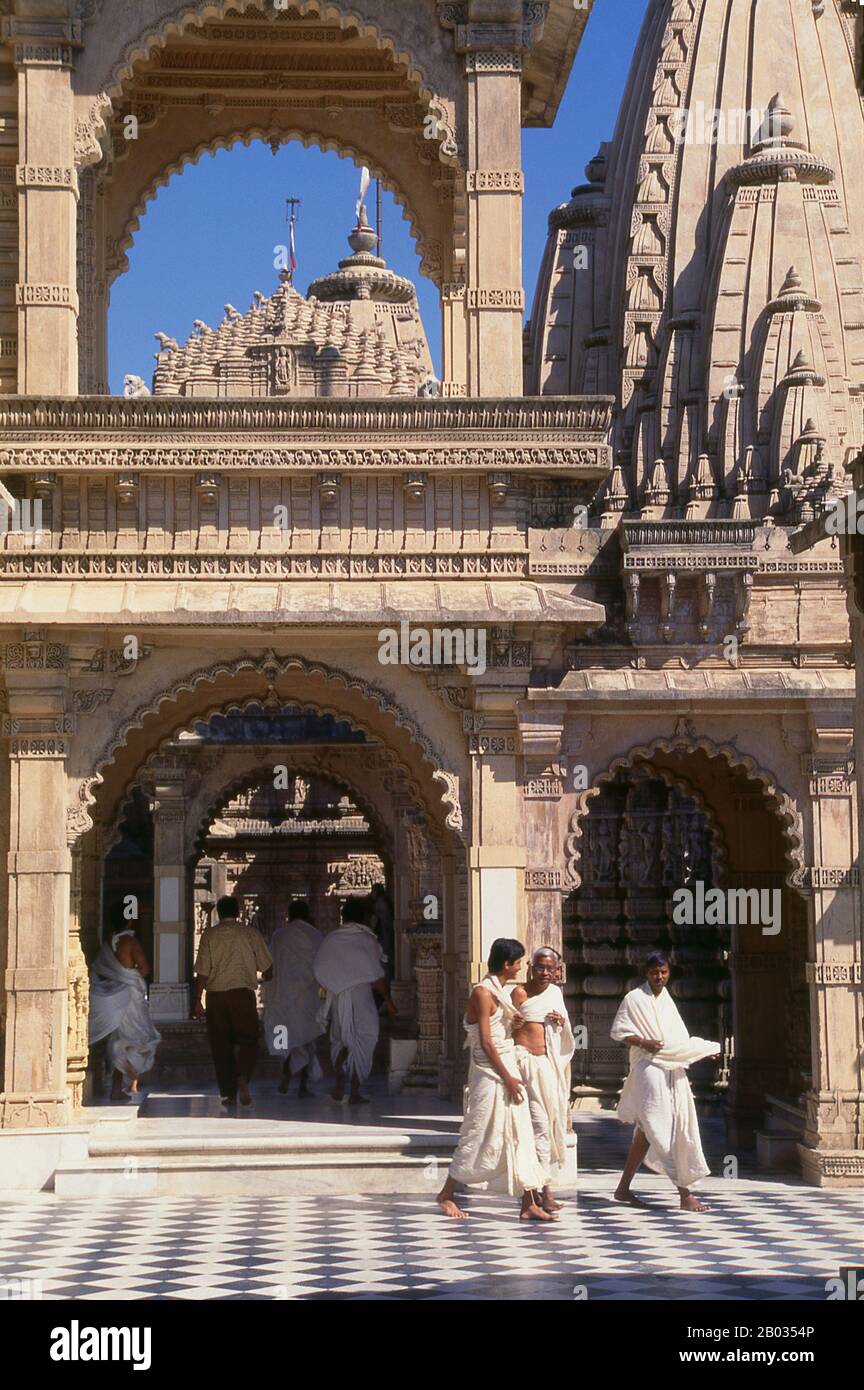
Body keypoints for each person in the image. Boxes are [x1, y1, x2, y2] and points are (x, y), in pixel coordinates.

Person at [436, 938, 554, 1222]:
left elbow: (500, 1034)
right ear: (506, 964)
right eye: (519, 962)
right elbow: (487, 1044)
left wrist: (512, 1025)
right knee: (478, 1131)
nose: (521, 967)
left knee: (520, 1132)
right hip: (490, 1072)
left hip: (506, 1065)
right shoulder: (483, 992)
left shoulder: (502, 992)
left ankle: (528, 1203)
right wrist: (509, 1079)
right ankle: (446, 1193)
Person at [610, 952, 720, 1213]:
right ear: (646, 973)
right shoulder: (634, 999)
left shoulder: (667, 1001)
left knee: (648, 1131)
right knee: (662, 1128)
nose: (659, 977)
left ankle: (623, 1189)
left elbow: (677, 1041)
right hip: (648, 1068)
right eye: (654, 972)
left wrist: (702, 1050)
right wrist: (643, 1042)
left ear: (669, 972)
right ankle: (685, 1193)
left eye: (664, 972)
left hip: (671, 1068)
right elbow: (619, 1032)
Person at [510, 946, 576, 1214]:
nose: (545, 973)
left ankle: (543, 1191)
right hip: (523, 1065)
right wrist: (514, 1023)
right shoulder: (519, 993)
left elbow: (563, 1033)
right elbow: (505, 1027)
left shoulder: (555, 994)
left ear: (558, 970)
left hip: (547, 1068)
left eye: (551, 968)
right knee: (534, 1127)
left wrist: (561, 1023)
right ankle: (540, 1193)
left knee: (546, 1126)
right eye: (540, 967)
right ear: (530, 967)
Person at [313, 896, 396, 1104]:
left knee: (341, 1040)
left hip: (338, 996)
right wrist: (388, 1000)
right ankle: (355, 1090)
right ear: (364, 918)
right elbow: (376, 975)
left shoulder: (331, 939)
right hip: (362, 997)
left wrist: (334, 986)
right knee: (365, 1040)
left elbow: (319, 968)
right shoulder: (367, 939)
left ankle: (340, 1080)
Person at [193, 895, 273, 1108]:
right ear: (238, 912)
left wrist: (197, 1000)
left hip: (216, 997)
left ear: (218, 913)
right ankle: (242, 1076)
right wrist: (267, 979)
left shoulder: (209, 935)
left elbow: (202, 971)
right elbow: (268, 968)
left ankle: (228, 1094)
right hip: (242, 995)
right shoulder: (250, 933)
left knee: (220, 1045)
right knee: (249, 1040)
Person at [88, 912, 161, 1102]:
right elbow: (145, 968)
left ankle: (117, 1086)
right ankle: (133, 1076)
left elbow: (101, 968)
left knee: (118, 1040)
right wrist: (133, 971)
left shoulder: (107, 944)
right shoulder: (130, 941)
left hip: (112, 997)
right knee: (136, 1038)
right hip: (129, 996)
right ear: (128, 920)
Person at [263, 899, 323, 1098]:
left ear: (289, 914)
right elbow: (321, 966)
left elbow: (269, 965)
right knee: (307, 1039)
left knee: (284, 1038)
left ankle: (285, 1074)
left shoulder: (279, 936)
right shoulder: (315, 935)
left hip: (283, 997)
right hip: (307, 998)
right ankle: (303, 1085)